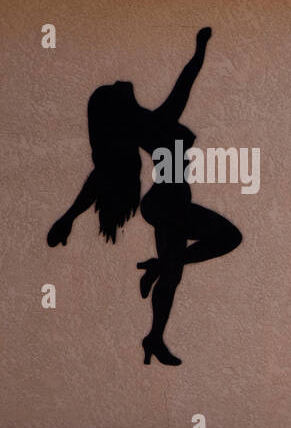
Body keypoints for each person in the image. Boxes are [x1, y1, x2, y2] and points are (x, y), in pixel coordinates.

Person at [47, 27, 241, 366]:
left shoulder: (155, 121)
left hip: (169, 204)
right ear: (118, 108)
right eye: (113, 90)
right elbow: (100, 178)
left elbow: (186, 83)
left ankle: (154, 337)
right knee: (228, 237)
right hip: (167, 204)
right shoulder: (147, 127)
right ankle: (158, 269)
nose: (120, 82)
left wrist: (199, 51)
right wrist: (68, 217)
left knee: (173, 278)